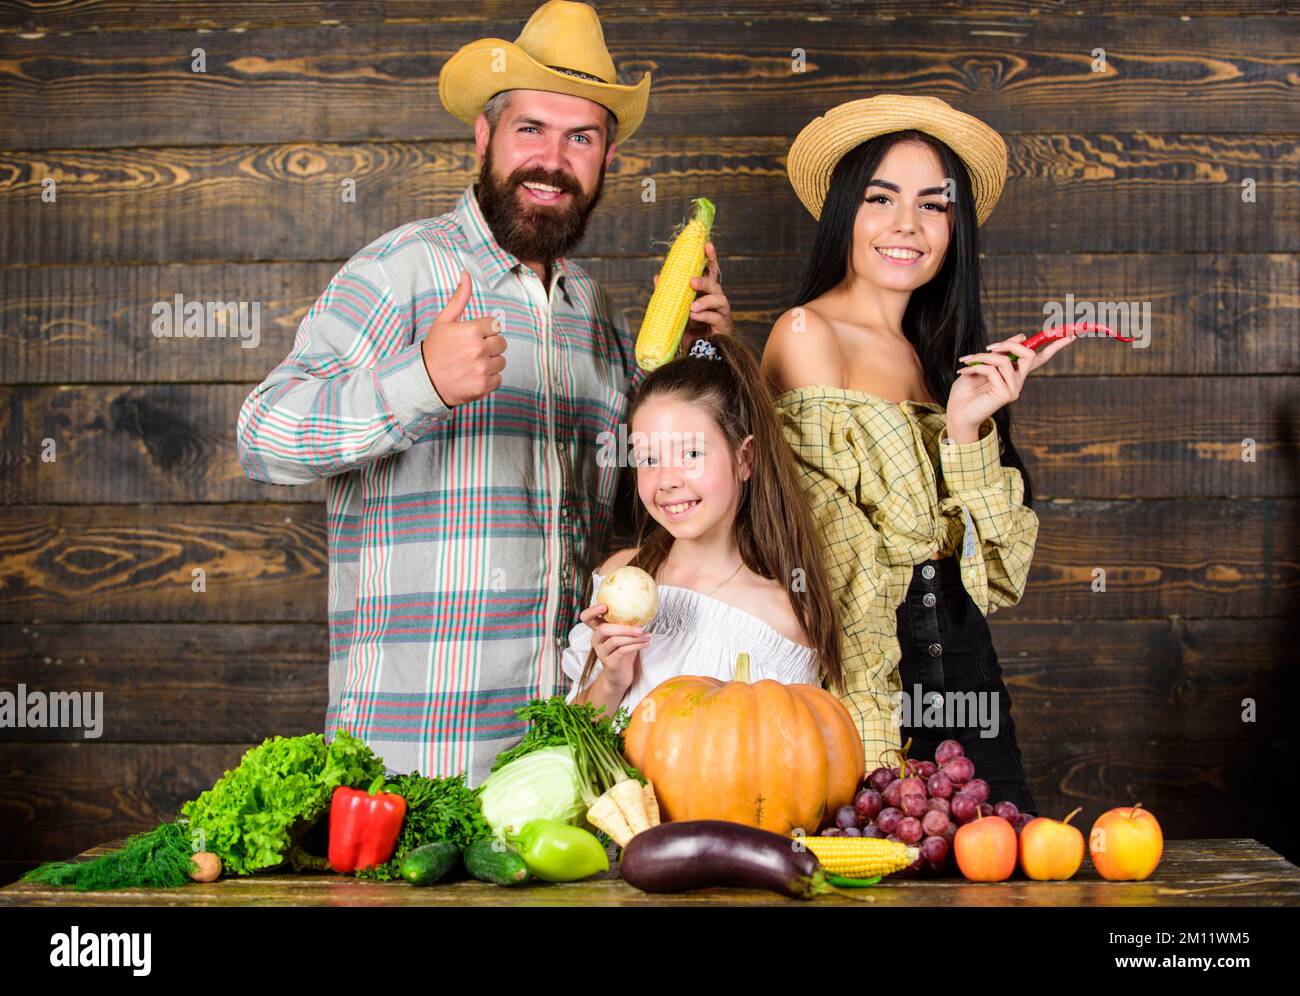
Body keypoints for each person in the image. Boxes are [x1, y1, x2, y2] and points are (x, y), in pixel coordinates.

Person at [235, 1, 733, 785]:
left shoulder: (595, 314)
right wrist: (420, 383)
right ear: (484, 138)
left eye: (582, 138)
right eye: (530, 129)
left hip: (566, 761)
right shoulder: (401, 272)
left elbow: (652, 506)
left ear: (605, 162)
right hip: (415, 761)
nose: (552, 159)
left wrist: (708, 351)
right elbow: (263, 436)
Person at [762, 95, 1074, 815]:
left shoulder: (940, 360)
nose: (907, 224)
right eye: (881, 198)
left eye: (934, 205)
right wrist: (872, 727)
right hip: (868, 662)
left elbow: (997, 577)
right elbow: (838, 549)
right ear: (845, 211)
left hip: (967, 664)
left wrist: (965, 430)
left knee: (1002, 874)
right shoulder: (809, 333)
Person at [563, 333, 844, 717]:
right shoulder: (620, 576)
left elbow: (782, 756)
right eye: (648, 459)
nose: (667, 480)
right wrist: (611, 680)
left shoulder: (784, 616)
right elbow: (570, 742)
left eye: (691, 453)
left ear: (744, 458)